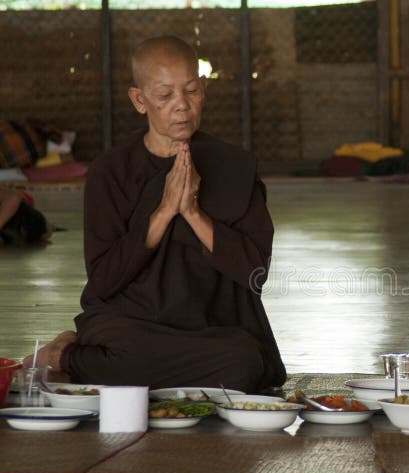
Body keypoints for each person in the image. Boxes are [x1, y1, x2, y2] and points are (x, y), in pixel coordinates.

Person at [22, 36, 285, 392]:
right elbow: (103, 280)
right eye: (165, 96)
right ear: (139, 100)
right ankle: (65, 353)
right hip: (131, 322)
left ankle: (77, 360)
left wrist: (192, 212)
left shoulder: (234, 167)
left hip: (209, 323)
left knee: (246, 365)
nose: (182, 106)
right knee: (125, 352)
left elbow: (255, 273)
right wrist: (162, 214)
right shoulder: (110, 172)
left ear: (203, 89)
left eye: (191, 91)